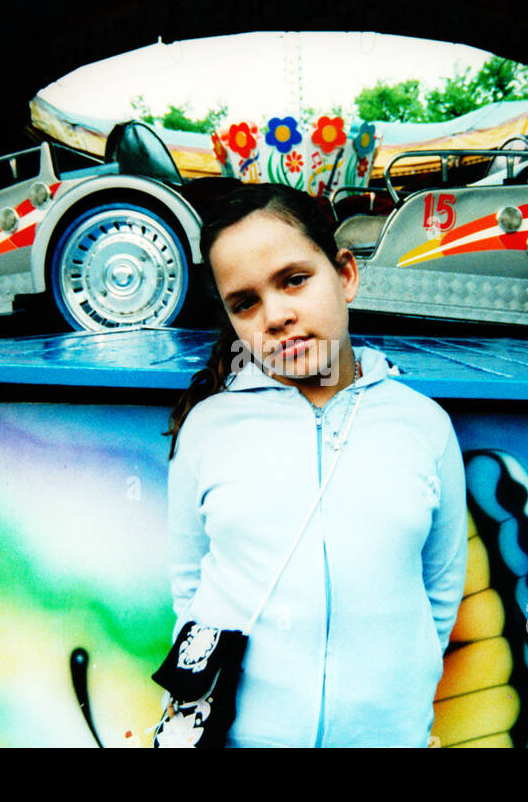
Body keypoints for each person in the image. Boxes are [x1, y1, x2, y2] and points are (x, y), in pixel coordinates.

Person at [163, 183, 468, 747]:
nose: (275, 316)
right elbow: (189, 584)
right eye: (245, 303)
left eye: (294, 280)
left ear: (346, 275)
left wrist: (397, 689)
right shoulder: (208, 430)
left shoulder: (422, 426)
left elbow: (440, 589)